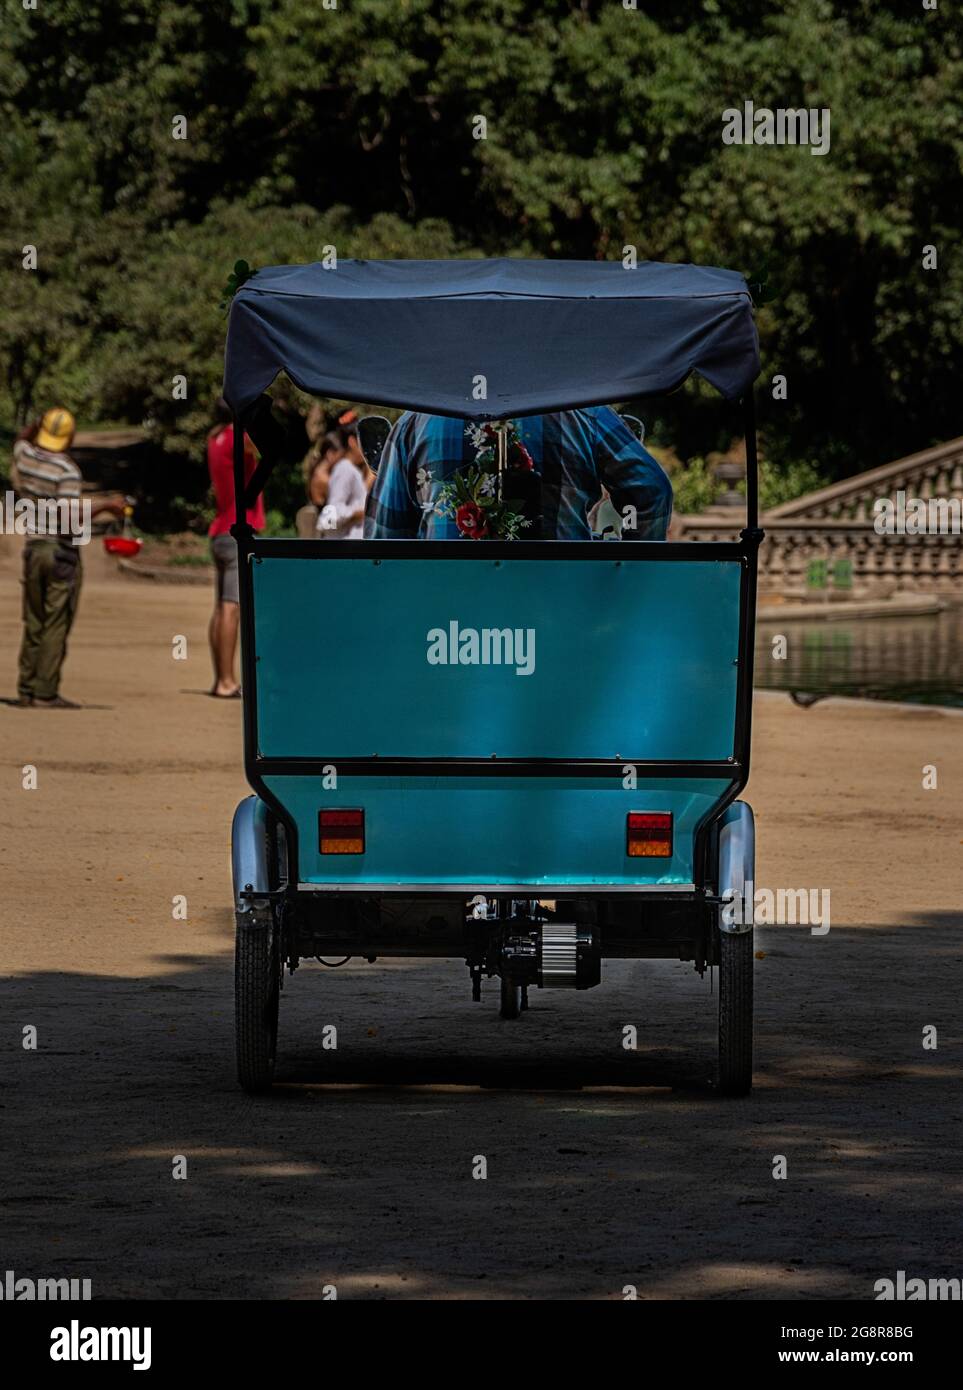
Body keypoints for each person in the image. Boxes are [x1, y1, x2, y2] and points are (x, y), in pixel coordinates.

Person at [365, 407, 672, 540]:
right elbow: (651, 488)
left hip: (447, 628)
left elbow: (384, 538)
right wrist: (632, 571)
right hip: (564, 608)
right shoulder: (583, 409)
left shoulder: (416, 421)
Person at [11, 407, 126, 708]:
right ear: (70, 437)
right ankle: (45, 692)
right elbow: (68, 518)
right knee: (56, 622)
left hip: (33, 549)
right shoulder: (67, 471)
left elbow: (21, 438)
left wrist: (37, 423)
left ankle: (26, 689)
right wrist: (107, 506)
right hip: (60, 553)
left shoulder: (24, 455)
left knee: (33, 619)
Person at [207, 397, 264, 697]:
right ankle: (226, 681)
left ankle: (221, 677)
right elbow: (266, 447)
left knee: (220, 607)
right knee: (232, 606)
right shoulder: (237, 438)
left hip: (219, 529)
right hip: (236, 530)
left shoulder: (215, 438)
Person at [318, 424, 368, 540]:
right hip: (346, 545)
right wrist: (362, 512)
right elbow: (333, 513)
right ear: (352, 441)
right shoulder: (345, 469)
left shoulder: (350, 469)